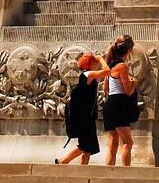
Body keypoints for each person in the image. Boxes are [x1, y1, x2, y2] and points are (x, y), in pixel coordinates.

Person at [57, 52, 109, 166]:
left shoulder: (87, 75)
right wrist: (100, 59)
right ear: (90, 64)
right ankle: (63, 161)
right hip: (84, 117)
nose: (97, 64)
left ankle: (82, 167)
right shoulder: (87, 74)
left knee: (89, 147)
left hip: (87, 116)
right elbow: (106, 71)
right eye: (95, 62)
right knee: (86, 145)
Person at [103, 35, 138, 167]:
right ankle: (125, 171)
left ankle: (108, 171)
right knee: (128, 142)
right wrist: (134, 83)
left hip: (110, 103)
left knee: (113, 143)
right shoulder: (122, 66)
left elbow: (105, 88)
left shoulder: (110, 65)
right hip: (118, 104)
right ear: (129, 50)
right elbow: (128, 91)